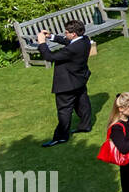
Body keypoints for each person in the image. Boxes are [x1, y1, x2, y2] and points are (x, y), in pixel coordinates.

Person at [36, 19, 94, 147]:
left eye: (66, 32)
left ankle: (61, 137)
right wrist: (51, 37)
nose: (65, 33)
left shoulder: (72, 49)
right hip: (79, 79)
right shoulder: (84, 40)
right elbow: (67, 41)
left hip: (67, 84)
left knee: (64, 110)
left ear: (73, 34)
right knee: (82, 103)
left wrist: (41, 43)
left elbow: (49, 57)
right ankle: (85, 126)